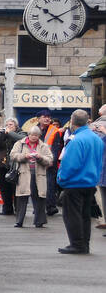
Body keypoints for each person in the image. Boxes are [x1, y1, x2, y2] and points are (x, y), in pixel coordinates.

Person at [55, 109, 104, 254]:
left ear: (72, 121)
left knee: (72, 215)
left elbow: (70, 164)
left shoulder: (76, 140)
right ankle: (84, 245)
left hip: (75, 183)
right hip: (90, 182)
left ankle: (76, 244)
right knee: (85, 216)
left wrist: (61, 178)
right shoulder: (96, 138)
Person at [9, 127, 53, 228]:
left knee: (39, 197)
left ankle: (39, 221)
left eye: (36, 135)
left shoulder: (43, 146)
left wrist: (40, 157)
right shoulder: (20, 143)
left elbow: (50, 159)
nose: (34, 137)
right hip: (24, 174)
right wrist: (25, 156)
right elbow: (13, 155)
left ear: (39, 136)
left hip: (38, 174)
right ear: (28, 135)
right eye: (32, 135)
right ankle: (19, 221)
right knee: (22, 197)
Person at [0, 117, 20, 215]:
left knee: (15, 188)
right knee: (4, 188)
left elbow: (19, 139)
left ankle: (18, 209)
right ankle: (7, 208)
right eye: (6, 125)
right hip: (2, 165)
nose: (8, 127)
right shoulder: (1, 135)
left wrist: (9, 133)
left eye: (10, 125)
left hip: (14, 166)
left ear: (16, 126)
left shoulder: (20, 133)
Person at [37, 110, 63, 216]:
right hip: (37, 161)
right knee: (37, 185)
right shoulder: (35, 129)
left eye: (48, 117)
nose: (47, 118)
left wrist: (51, 161)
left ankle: (50, 207)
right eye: (44, 116)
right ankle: (38, 206)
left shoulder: (54, 130)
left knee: (50, 185)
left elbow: (56, 148)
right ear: (38, 118)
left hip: (49, 162)